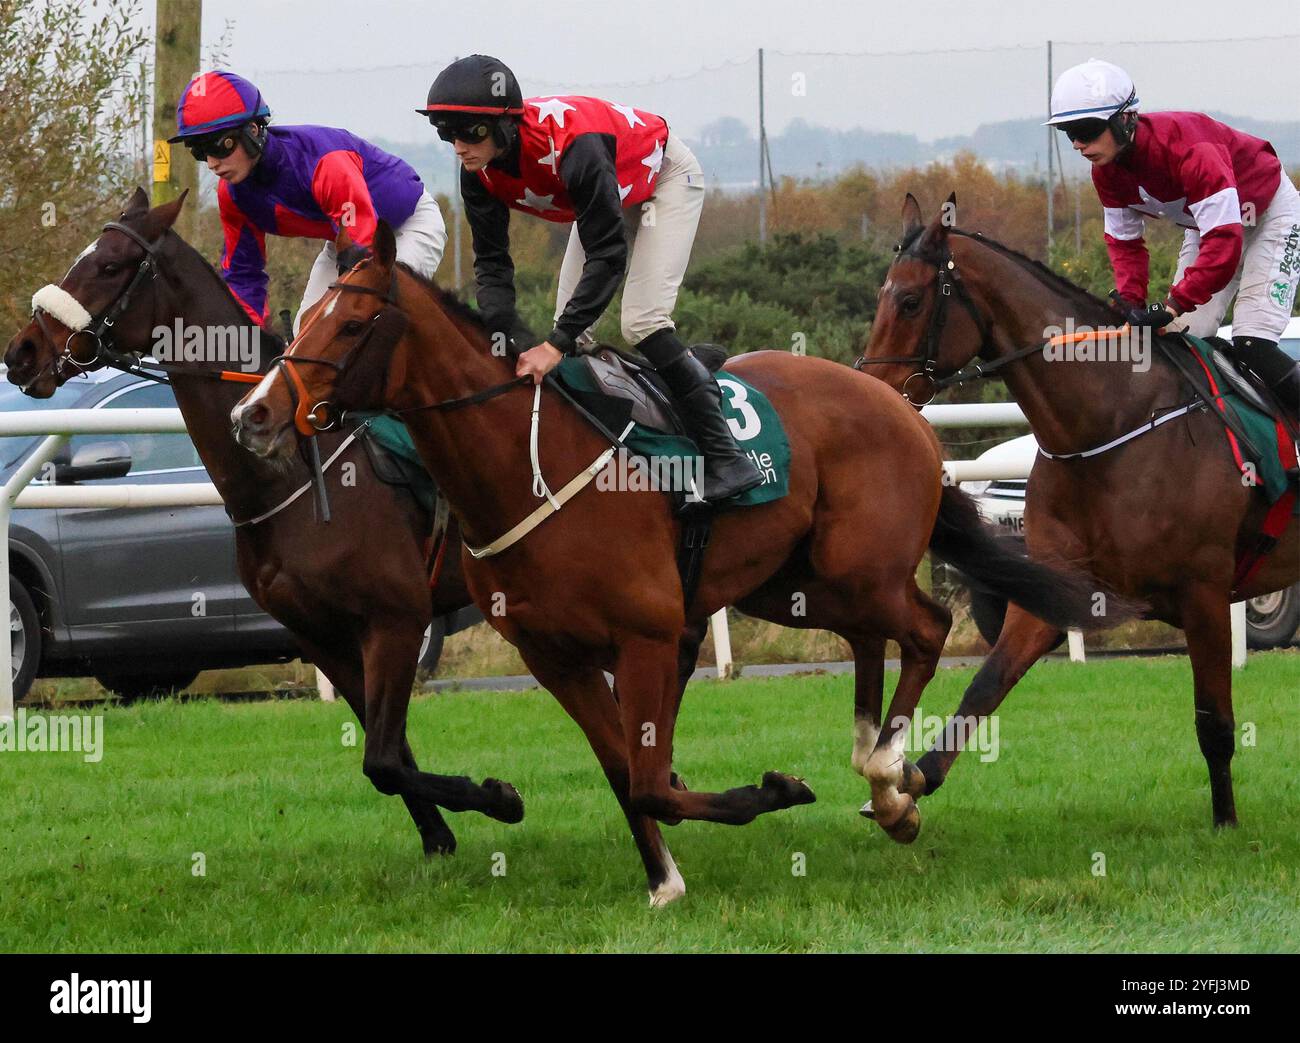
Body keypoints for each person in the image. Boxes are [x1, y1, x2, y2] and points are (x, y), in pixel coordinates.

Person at [418, 54, 762, 503]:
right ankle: (669, 381)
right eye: (447, 133)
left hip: (663, 179)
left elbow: (607, 256)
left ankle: (727, 459)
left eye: (471, 132)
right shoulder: (477, 173)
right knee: (575, 335)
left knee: (641, 321)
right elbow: (493, 265)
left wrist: (553, 344)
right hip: (607, 192)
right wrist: (508, 335)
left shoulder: (574, 147)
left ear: (505, 126)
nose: (459, 146)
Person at [1047, 58, 1299, 424]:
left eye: (1086, 129)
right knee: (1181, 342)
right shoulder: (1107, 175)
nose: (1078, 144)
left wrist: (1173, 303)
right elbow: (1125, 244)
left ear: (1126, 119)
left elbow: (1225, 245)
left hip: (1271, 215)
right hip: (1211, 228)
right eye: (1068, 132)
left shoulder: (1191, 149)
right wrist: (1129, 301)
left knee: (1252, 343)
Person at [169, 71, 447, 334]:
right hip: (344, 242)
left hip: (409, 225)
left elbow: (365, 253)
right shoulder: (231, 194)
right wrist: (244, 342)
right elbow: (244, 274)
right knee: (305, 334)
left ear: (253, 131)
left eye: (220, 146)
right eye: (200, 152)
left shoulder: (324, 164)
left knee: (372, 322)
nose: (213, 163)